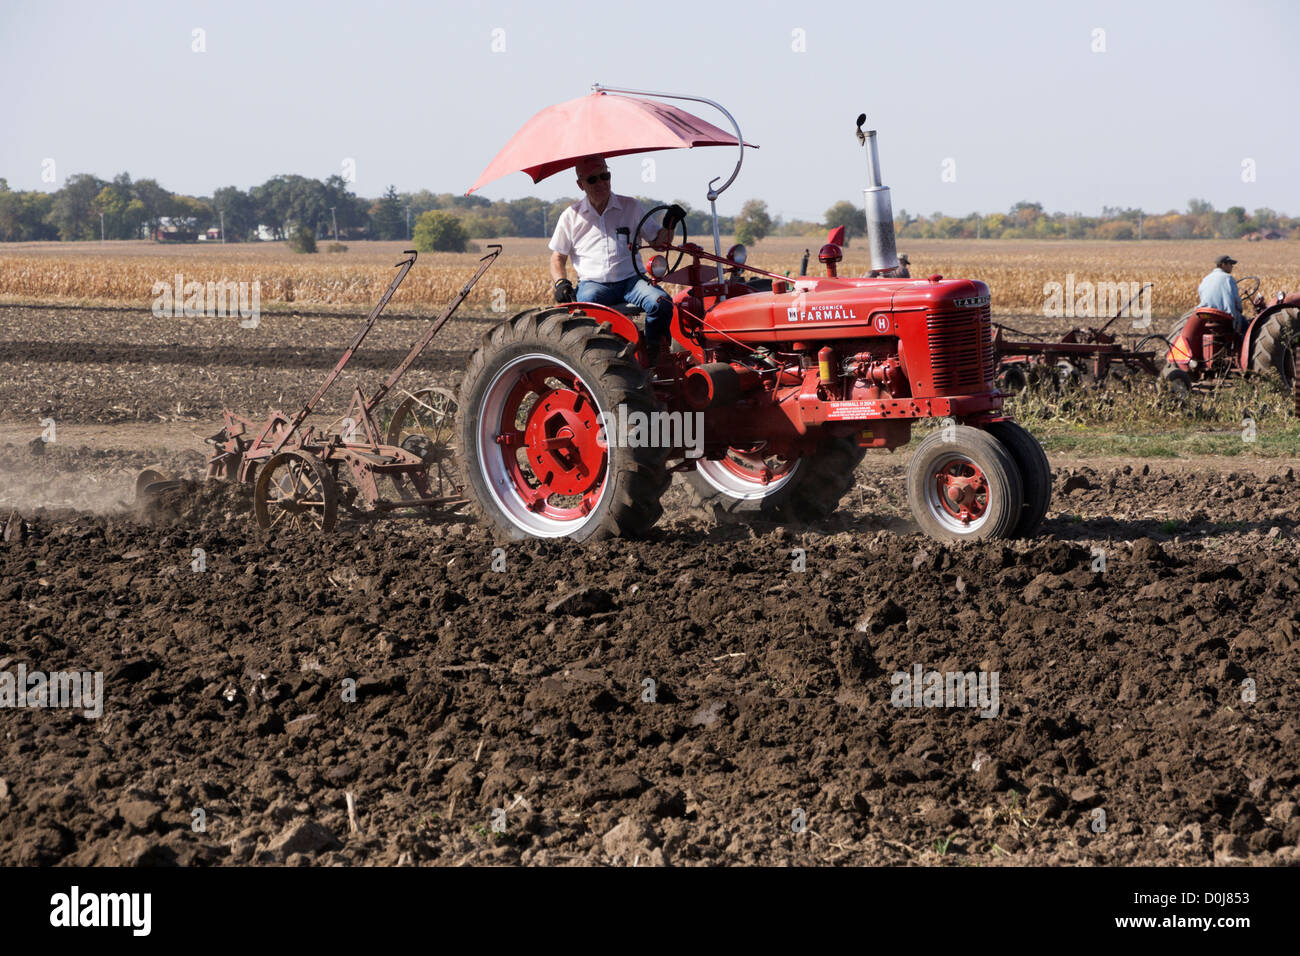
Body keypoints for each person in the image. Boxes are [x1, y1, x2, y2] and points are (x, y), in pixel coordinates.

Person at [548, 155, 679, 361]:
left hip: (632, 281)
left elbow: (658, 243)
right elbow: (557, 257)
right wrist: (561, 282)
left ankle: (654, 354)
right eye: (593, 179)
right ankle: (601, 360)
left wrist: (670, 224)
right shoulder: (571, 216)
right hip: (594, 284)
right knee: (587, 309)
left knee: (661, 303)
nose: (601, 183)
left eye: (605, 176)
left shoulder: (631, 207)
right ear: (580, 184)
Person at [1198, 254, 1245, 336]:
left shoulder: (1206, 278)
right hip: (1224, 316)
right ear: (1223, 265)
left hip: (1207, 314)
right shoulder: (1228, 278)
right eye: (1230, 264)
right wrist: (1240, 309)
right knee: (1246, 327)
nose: (1232, 266)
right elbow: (1237, 301)